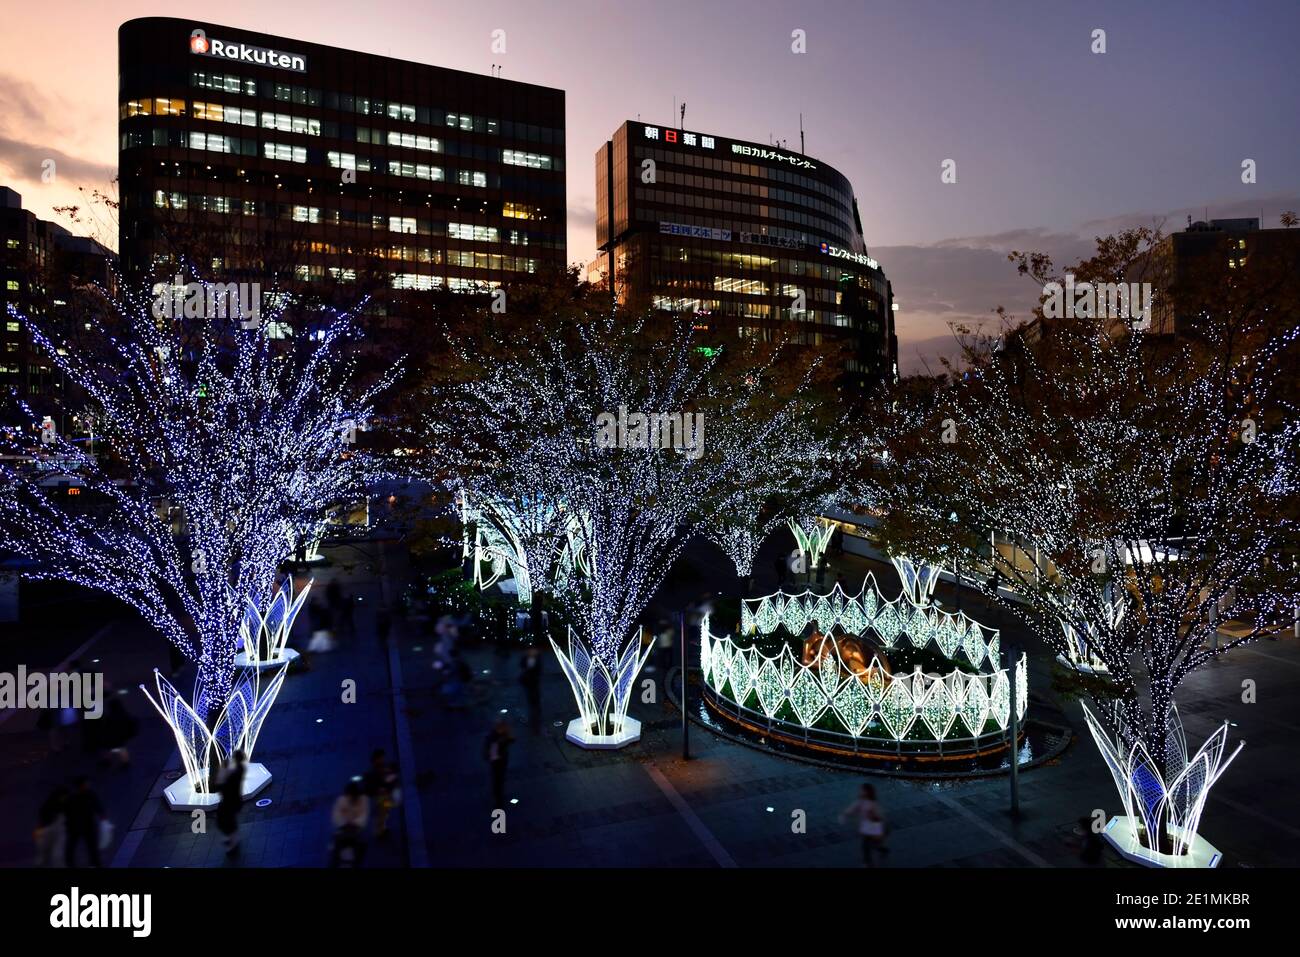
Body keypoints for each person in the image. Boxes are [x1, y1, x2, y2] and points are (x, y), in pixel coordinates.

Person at [840, 782, 887, 866]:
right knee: (867, 844)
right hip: (866, 827)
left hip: (872, 826)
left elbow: (879, 814)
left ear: (867, 792)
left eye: (863, 790)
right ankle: (870, 859)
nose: (861, 792)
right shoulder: (861, 801)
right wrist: (845, 815)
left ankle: (877, 852)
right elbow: (853, 809)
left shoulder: (872, 803)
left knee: (871, 843)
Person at [64, 777, 103, 867]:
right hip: (80, 826)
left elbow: (97, 805)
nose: (87, 785)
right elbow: (97, 805)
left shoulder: (75, 797)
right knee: (89, 847)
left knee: (88, 847)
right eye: (85, 784)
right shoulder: (76, 797)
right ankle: (95, 863)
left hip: (81, 826)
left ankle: (95, 863)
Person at [331, 781, 370, 866]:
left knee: (360, 847)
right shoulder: (342, 800)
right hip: (344, 828)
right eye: (348, 796)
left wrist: (354, 823)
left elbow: (364, 816)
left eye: (352, 796)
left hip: (356, 830)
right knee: (335, 847)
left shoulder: (363, 800)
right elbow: (336, 814)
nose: (350, 799)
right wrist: (343, 823)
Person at [362, 749, 399, 839]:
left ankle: (381, 831)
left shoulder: (379, 768)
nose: (383, 759)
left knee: (383, 815)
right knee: (380, 816)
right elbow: (378, 783)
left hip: (381, 796)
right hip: (378, 797)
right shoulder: (374, 771)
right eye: (381, 757)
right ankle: (380, 834)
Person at [216, 750, 247, 857]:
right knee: (229, 820)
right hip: (234, 800)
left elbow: (221, 785)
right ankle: (232, 840)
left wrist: (222, 772)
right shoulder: (240, 769)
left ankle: (233, 844)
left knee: (227, 821)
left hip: (230, 802)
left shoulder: (235, 773)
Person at [34, 786, 67, 867]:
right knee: (44, 853)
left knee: (56, 853)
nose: (65, 798)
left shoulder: (64, 806)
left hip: (56, 830)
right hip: (47, 830)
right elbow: (43, 818)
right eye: (64, 796)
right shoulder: (50, 805)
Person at [484, 719, 514, 808]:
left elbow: (511, 740)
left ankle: (498, 796)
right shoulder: (494, 738)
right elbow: (493, 755)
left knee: (499, 780)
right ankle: (498, 799)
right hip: (498, 764)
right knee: (498, 781)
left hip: (501, 762)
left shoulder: (501, 735)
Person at [519, 647, 543, 731]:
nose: (532, 652)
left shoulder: (537, 659)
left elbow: (539, 669)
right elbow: (522, 666)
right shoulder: (525, 658)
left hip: (534, 681)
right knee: (530, 696)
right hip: (527, 681)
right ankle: (533, 711)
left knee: (535, 696)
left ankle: (536, 712)